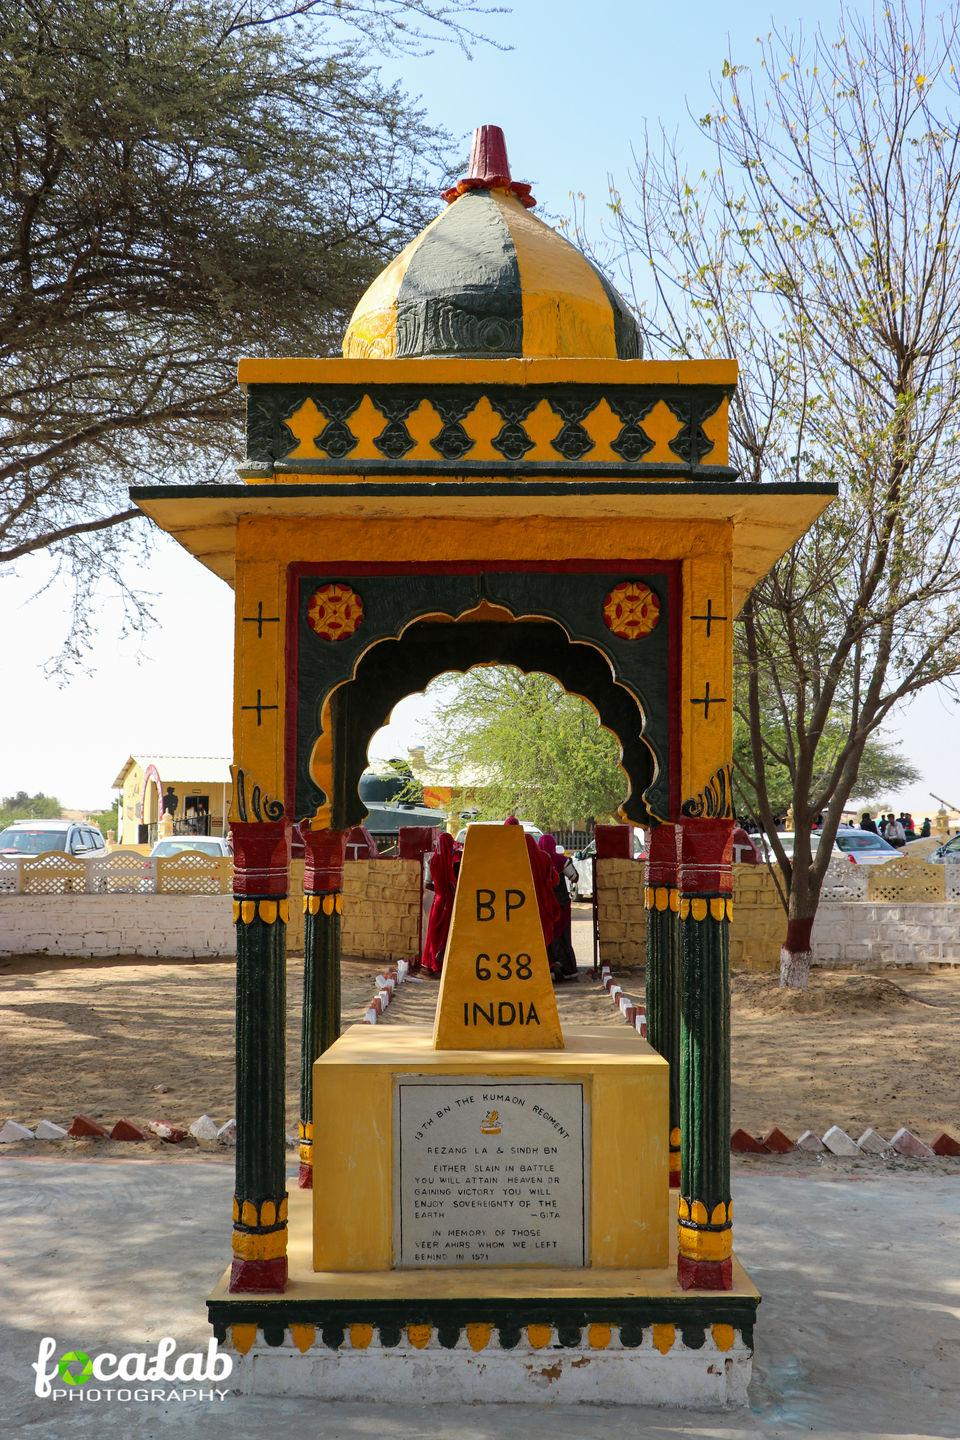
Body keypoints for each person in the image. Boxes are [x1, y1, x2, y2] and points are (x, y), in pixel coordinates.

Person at [505, 816, 560, 949]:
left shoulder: (511, 857)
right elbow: (555, 880)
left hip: (517, 903)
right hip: (542, 901)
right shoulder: (544, 857)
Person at [538, 834, 579, 981]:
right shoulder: (561, 860)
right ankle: (567, 968)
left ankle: (547, 967)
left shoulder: (536, 860)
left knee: (545, 937)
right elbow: (574, 877)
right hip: (561, 905)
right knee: (563, 936)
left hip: (543, 906)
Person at [420, 832, 459, 975]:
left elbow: (427, 885)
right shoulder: (455, 860)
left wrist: (439, 889)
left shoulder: (431, 861)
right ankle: (445, 967)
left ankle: (432, 965)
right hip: (453, 900)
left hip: (438, 901)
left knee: (434, 934)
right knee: (448, 933)